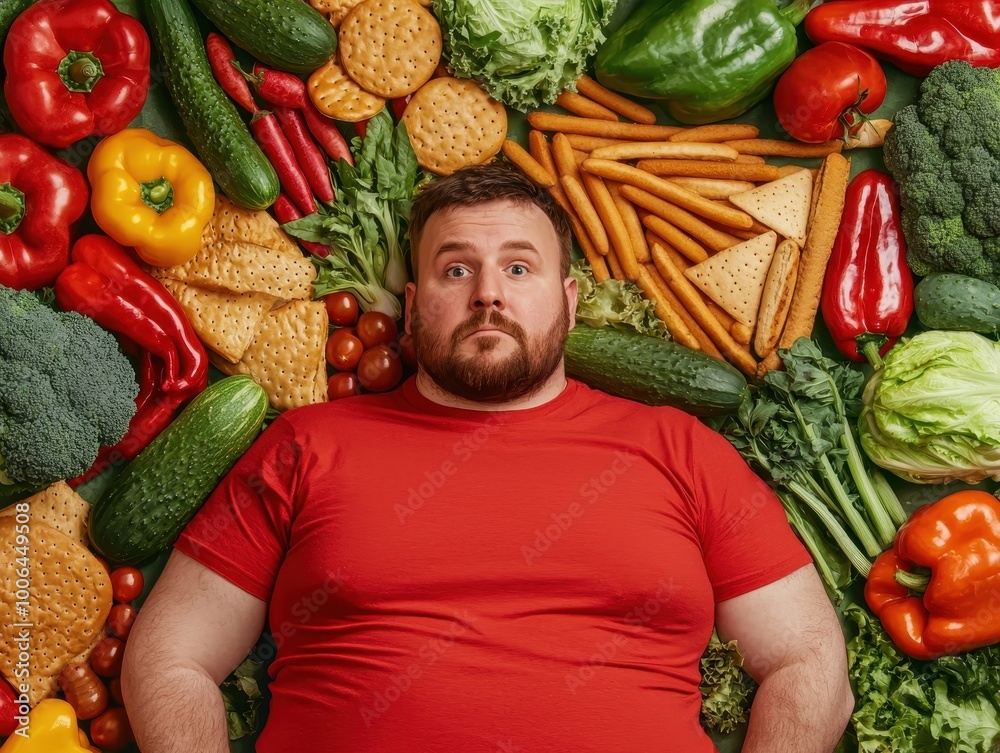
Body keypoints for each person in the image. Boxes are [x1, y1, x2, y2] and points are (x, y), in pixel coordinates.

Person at [121, 161, 854, 753]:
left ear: (570, 302)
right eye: (457, 270)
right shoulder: (306, 445)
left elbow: (809, 659)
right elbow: (168, 657)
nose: (489, 295)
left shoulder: (681, 449)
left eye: (520, 268)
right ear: (411, 308)